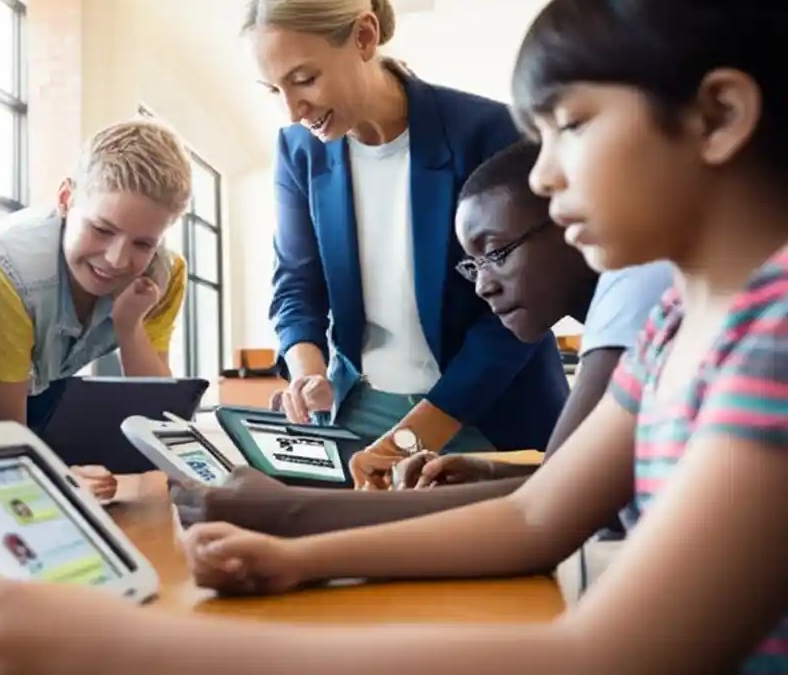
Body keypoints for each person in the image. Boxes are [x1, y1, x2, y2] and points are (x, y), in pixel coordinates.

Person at [0, 0, 787, 671]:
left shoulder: (771, 342)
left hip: (477, 405)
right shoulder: (672, 327)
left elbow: (603, 654)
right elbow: (535, 514)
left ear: (717, 116)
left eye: (571, 126)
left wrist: (139, 648)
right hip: (370, 409)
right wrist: (298, 552)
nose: (547, 174)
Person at [171, 140, 674, 536]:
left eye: (495, 252)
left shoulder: (635, 288)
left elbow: (554, 501)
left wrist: (292, 511)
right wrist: (489, 473)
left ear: (568, 217)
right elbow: (570, 478)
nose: (481, 284)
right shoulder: (624, 304)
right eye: (471, 264)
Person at [250, 0, 567, 484]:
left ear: (364, 37)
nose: (292, 110)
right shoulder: (297, 151)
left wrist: (410, 440)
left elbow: (519, 314)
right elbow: (296, 285)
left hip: (492, 416)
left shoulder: (490, 133)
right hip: (361, 415)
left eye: (304, 79)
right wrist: (307, 370)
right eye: (273, 89)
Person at [0, 120, 193, 500]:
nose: (116, 259)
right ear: (66, 199)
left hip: (53, 361)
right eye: (102, 229)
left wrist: (130, 327)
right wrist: (57, 478)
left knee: (50, 467)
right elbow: (2, 434)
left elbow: (157, 408)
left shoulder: (166, 275)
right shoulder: (5, 268)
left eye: (143, 244)